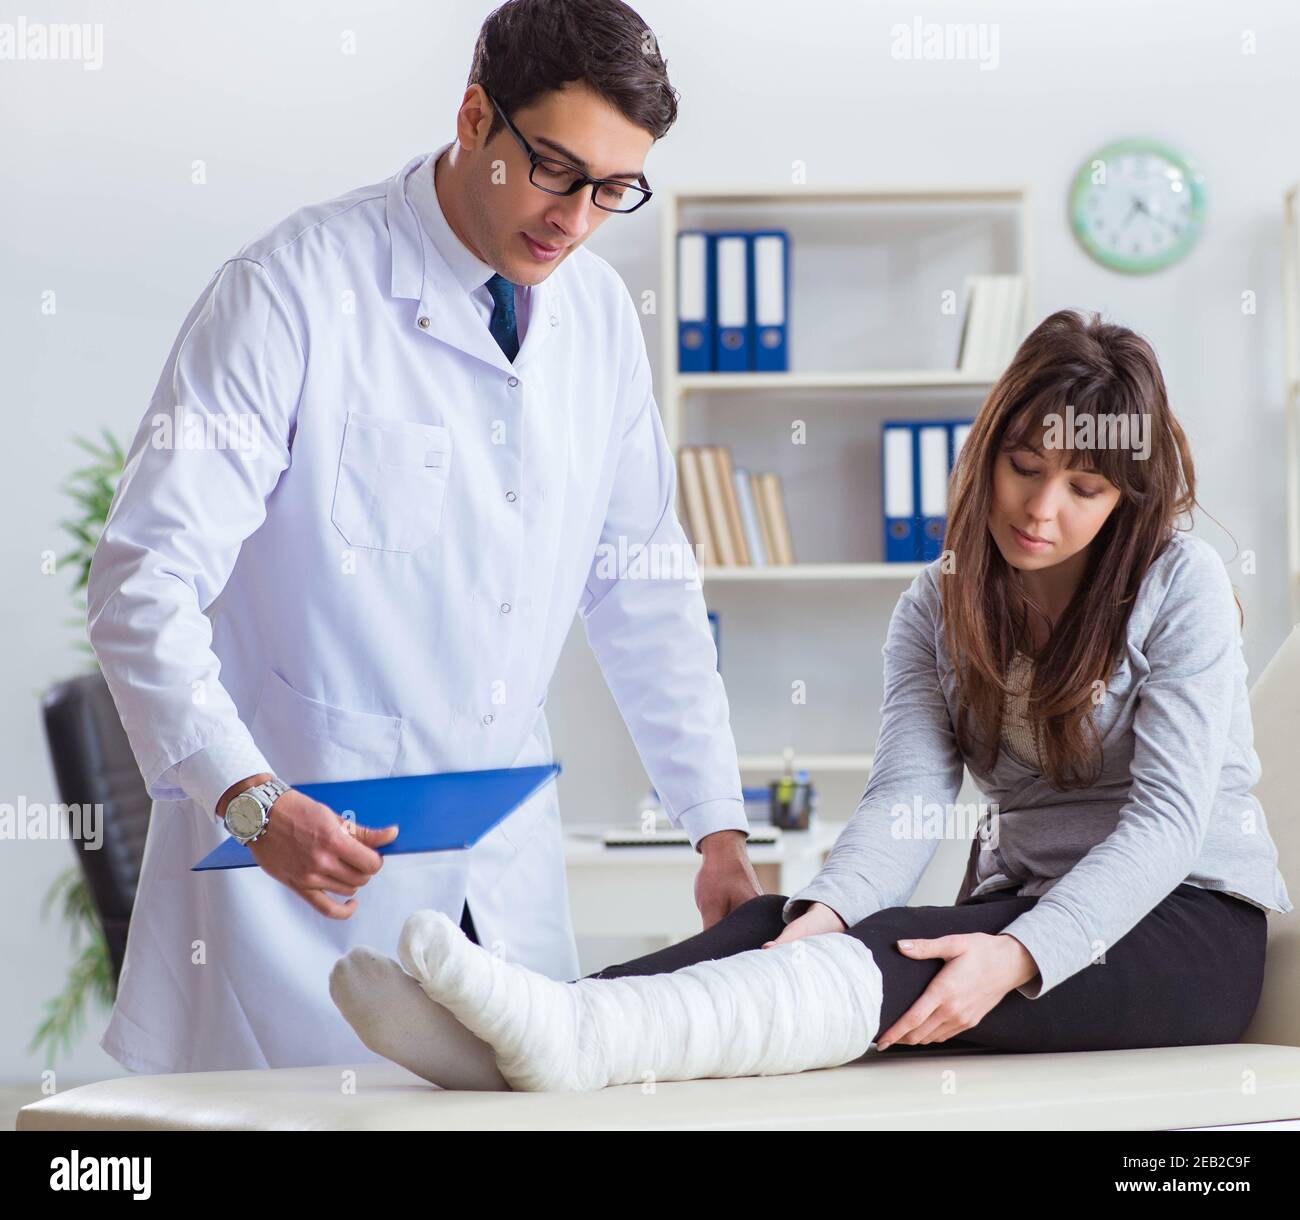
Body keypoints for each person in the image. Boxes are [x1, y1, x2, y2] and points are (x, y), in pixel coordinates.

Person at [330, 308, 1294, 1092]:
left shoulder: (1182, 583)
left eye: (1084, 488)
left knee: (895, 954)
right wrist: (826, 915)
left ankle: (571, 1040)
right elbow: (903, 803)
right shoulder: (940, 600)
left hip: (1186, 921)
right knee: (784, 923)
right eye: (1026, 469)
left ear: (1126, 497)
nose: (1042, 512)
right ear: (990, 451)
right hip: (1031, 902)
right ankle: (518, 1031)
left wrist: (1021, 956)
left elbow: (1168, 820)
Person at [85, 0, 759, 1076]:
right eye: (553, 170)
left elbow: (643, 590)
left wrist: (715, 827)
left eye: (612, 190)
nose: (576, 219)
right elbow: (141, 582)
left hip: (505, 892)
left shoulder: (595, 323)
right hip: (291, 896)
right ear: (475, 116)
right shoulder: (291, 293)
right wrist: (249, 798)